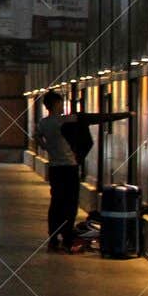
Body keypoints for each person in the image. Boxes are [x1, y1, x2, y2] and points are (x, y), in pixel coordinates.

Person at [34, 91, 131, 252]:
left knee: (56, 203)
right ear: (55, 104)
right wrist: (124, 115)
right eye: (60, 103)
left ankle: (53, 238)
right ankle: (67, 238)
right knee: (70, 204)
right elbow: (93, 118)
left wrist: (46, 147)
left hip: (55, 169)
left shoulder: (44, 123)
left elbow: (36, 136)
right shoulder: (64, 120)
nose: (62, 105)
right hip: (69, 168)